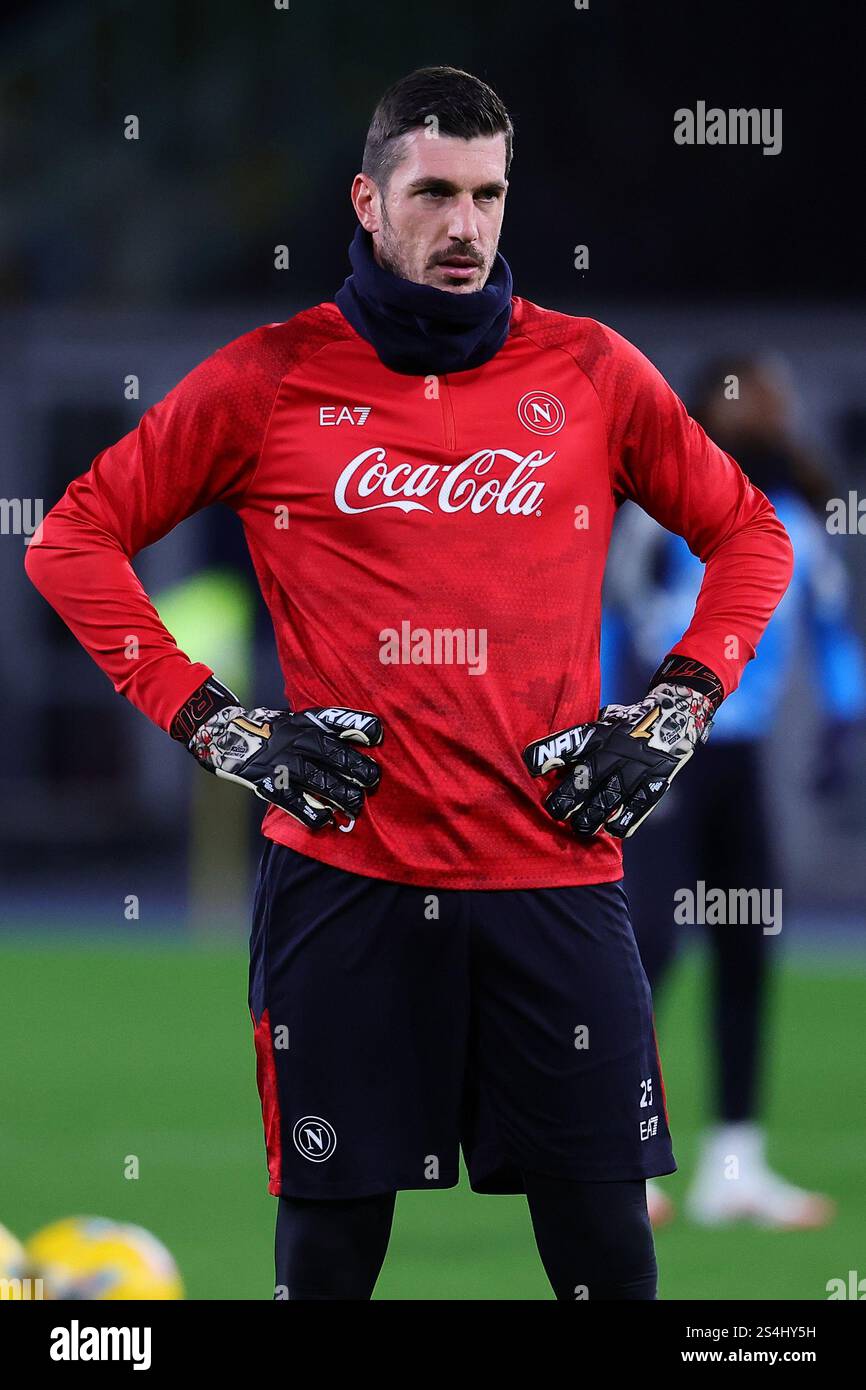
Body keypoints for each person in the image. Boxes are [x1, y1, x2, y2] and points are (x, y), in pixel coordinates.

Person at [24, 67, 793, 1300]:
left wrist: (677, 705)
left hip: (554, 872)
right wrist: (219, 727)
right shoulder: (270, 377)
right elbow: (70, 542)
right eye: (433, 191)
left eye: (487, 194)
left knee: (608, 1255)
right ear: (369, 202)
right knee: (329, 1259)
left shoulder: (588, 370)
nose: (466, 225)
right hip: (344, 886)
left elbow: (751, 534)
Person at [605, 354, 863, 1229]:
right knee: (648, 951)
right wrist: (605, 727)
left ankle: (735, 1163)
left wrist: (843, 721)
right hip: (660, 755)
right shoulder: (657, 512)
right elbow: (614, 618)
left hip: (741, 757)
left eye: (779, 394)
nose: (774, 407)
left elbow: (831, 628)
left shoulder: (793, 514)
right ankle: (619, 1152)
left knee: (747, 946)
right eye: (754, 390)